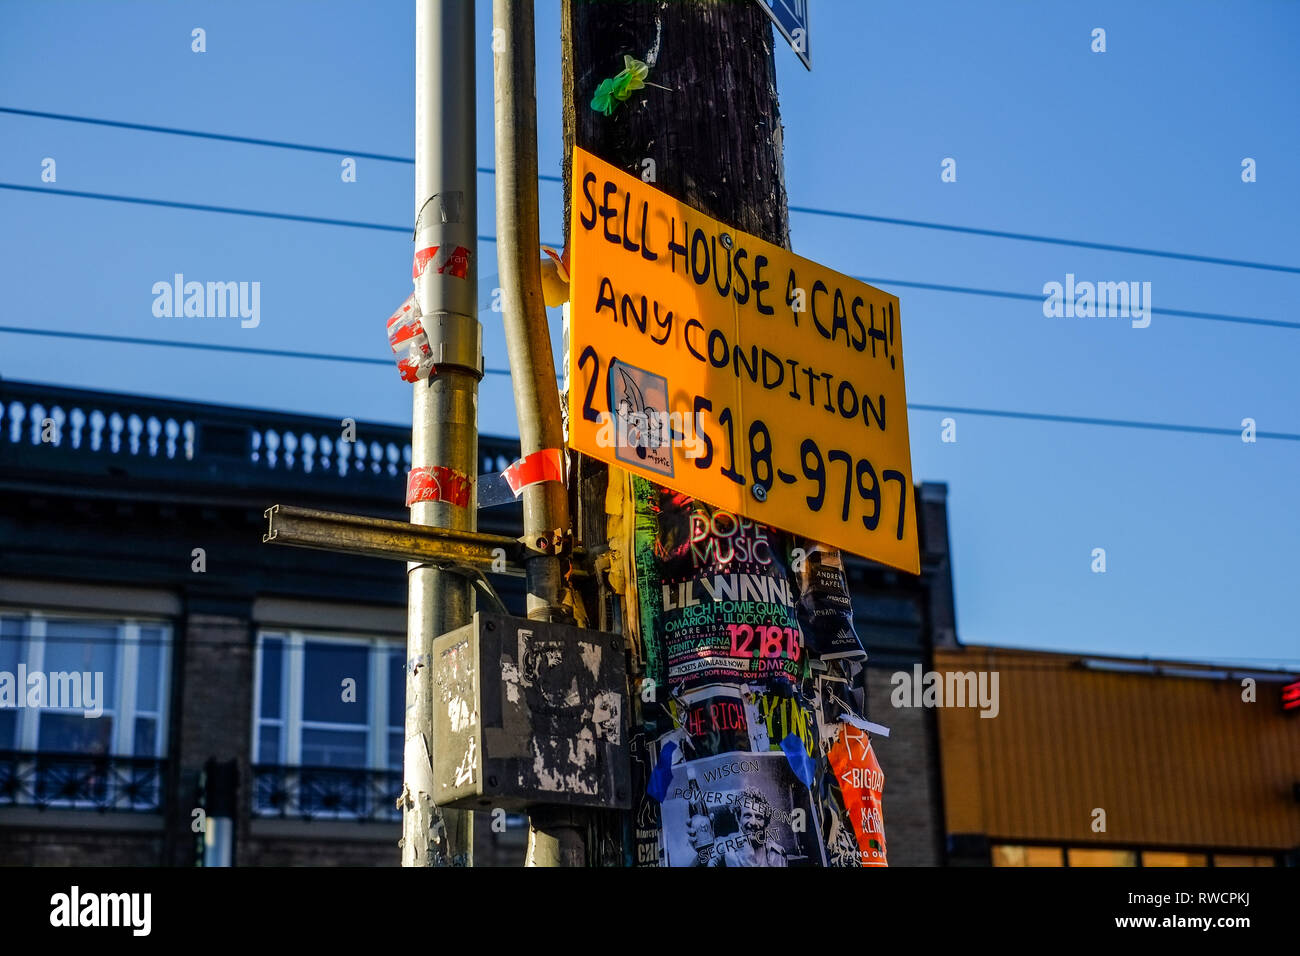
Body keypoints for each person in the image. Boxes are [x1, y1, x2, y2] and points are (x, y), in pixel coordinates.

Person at [709, 788, 787, 867]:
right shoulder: (723, 846)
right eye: (748, 816)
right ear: (738, 819)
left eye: (759, 817)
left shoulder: (776, 852)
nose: (753, 822)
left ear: (765, 822)